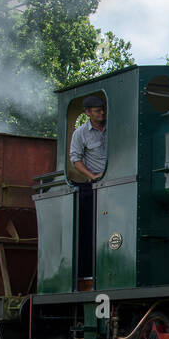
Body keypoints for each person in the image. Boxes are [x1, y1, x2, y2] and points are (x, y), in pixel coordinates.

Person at [69, 95, 107, 282]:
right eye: (97, 110)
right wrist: (92, 176)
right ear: (87, 112)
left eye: (102, 109)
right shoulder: (80, 133)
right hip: (96, 185)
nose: (102, 113)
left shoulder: (114, 127)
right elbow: (75, 160)